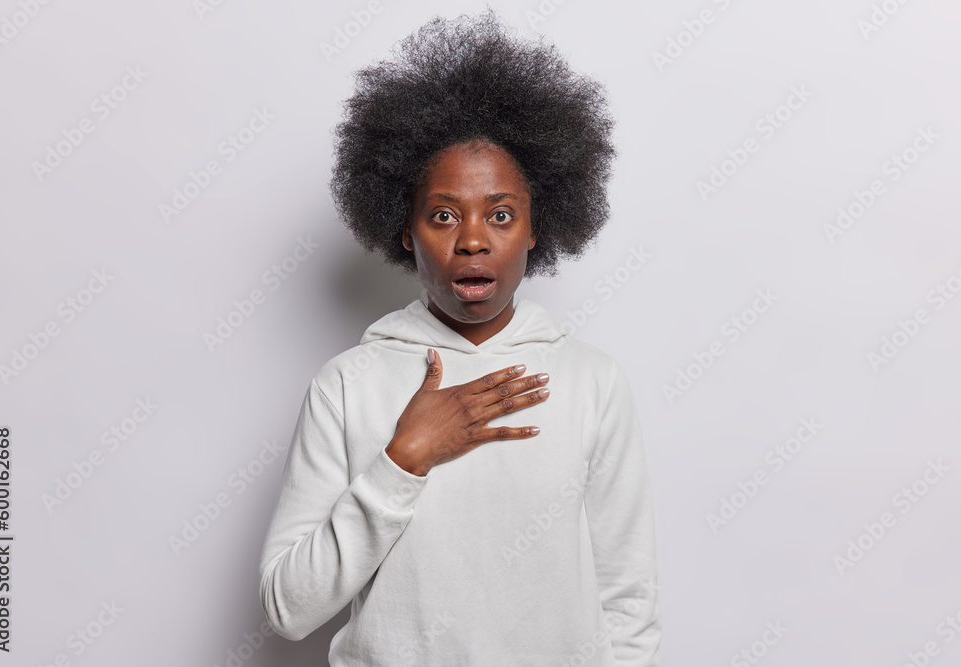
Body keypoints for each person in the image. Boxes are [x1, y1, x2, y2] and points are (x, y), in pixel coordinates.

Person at [258, 8, 661, 665]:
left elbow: (629, 601)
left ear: (536, 227)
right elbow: (287, 608)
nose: (473, 240)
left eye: (500, 214)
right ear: (404, 229)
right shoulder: (347, 385)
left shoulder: (593, 381)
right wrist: (404, 458)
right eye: (443, 215)